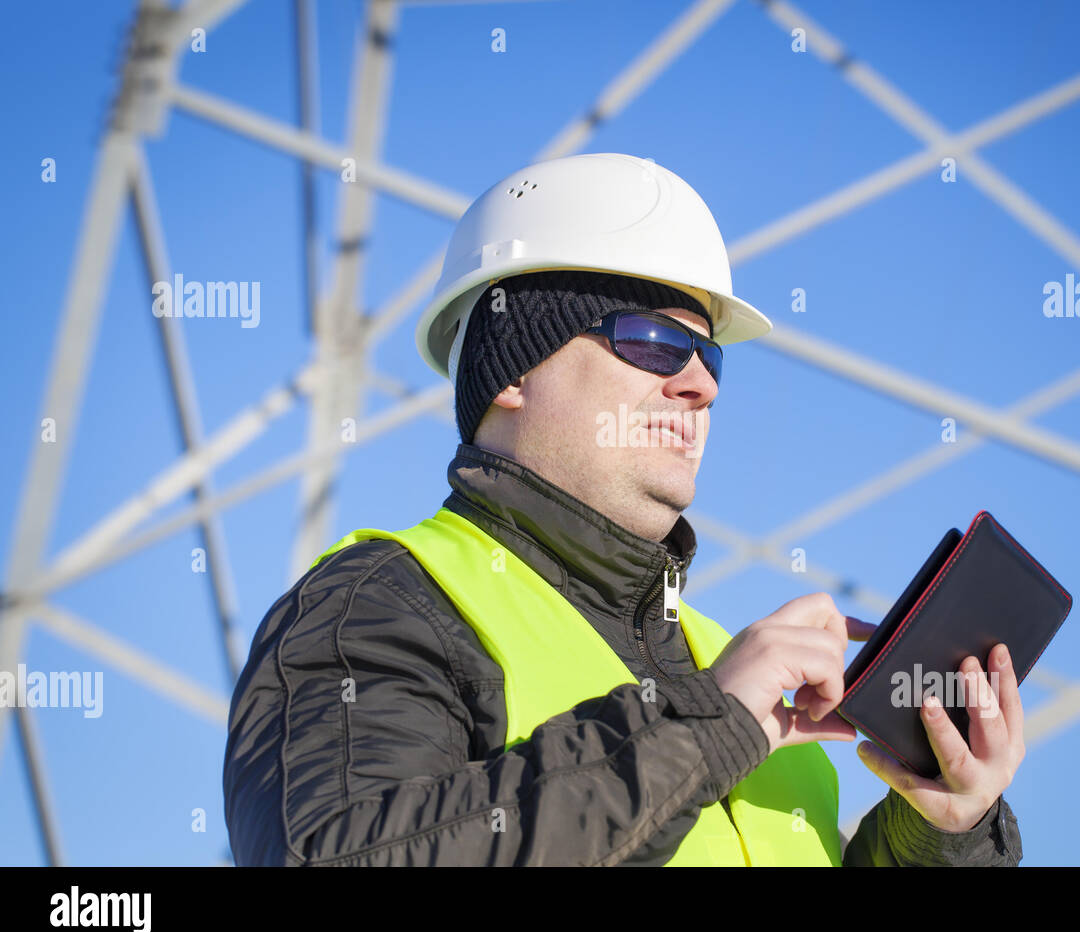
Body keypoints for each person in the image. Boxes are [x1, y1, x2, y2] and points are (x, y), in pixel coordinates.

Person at [223, 153, 1024, 866]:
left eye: (708, 356)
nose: (701, 386)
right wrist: (699, 727)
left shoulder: (726, 669)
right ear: (513, 370)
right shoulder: (382, 605)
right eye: (652, 341)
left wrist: (940, 832)